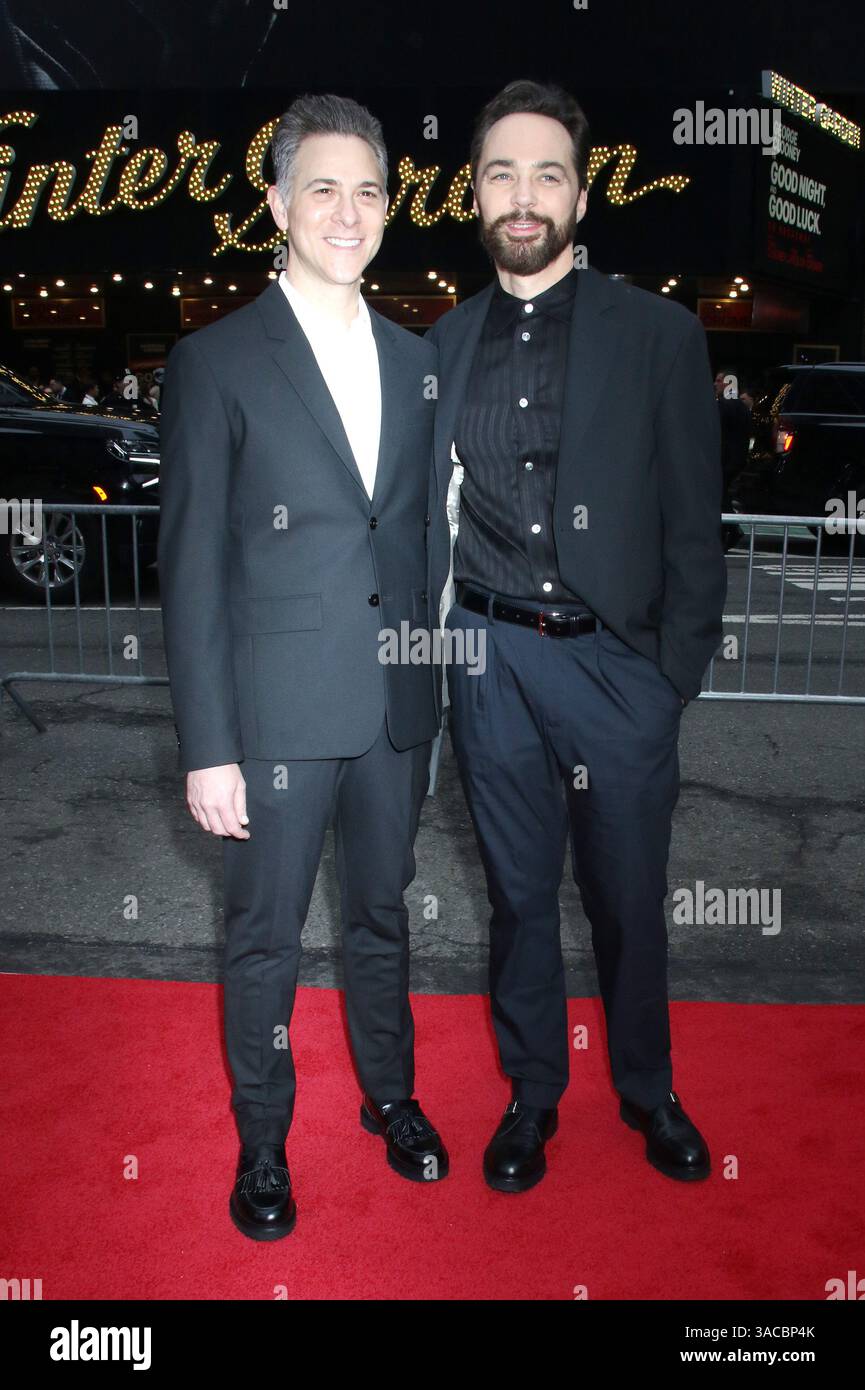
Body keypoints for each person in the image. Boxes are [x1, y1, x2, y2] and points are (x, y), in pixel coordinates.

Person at [158, 93, 449, 1243]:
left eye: (369, 189)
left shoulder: (417, 361)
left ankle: (393, 1098)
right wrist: (210, 746)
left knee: (382, 916)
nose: (347, 209)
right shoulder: (215, 359)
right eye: (321, 186)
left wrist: (431, 688)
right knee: (266, 937)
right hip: (272, 720)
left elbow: (417, 540)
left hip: (391, 710)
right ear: (276, 203)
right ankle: (265, 1145)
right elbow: (189, 572)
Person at [426, 79, 726, 1193]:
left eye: (545, 172)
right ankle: (531, 1097)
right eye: (501, 171)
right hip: (489, 662)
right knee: (514, 899)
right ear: (474, 193)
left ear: (580, 194)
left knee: (627, 897)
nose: (522, 194)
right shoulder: (442, 345)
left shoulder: (658, 334)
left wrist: (668, 677)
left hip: (616, 669)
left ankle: (647, 1091)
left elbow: (697, 523)